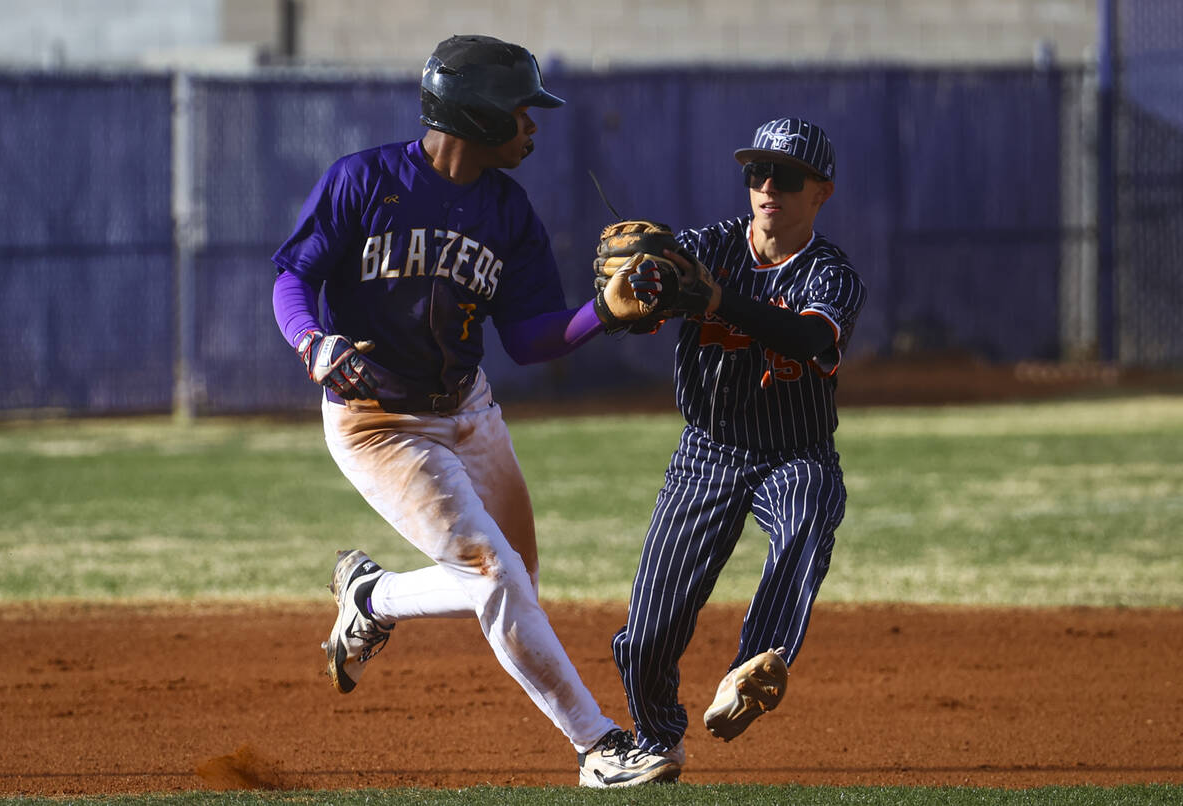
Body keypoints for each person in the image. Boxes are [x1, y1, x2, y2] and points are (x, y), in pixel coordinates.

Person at [270, 34, 679, 788]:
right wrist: (311, 341)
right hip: (376, 421)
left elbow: (529, 340)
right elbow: (293, 275)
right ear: (481, 111)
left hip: (467, 405)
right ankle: (597, 746)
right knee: (493, 571)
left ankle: (373, 596)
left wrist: (602, 313)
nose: (534, 125)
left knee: (513, 572)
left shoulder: (508, 212)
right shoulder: (366, 181)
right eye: (524, 110)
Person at [609, 117, 868, 770]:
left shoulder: (830, 275)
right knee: (645, 638)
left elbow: (808, 339)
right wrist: (632, 289)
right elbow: (645, 298)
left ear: (821, 192)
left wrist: (718, 300)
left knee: (809, 504)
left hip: (794, 451)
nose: (767, 186)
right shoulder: (710, 249)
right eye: (758, 172)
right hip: (708, 451)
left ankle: (754, 666)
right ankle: (657, 739)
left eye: (785, 175)